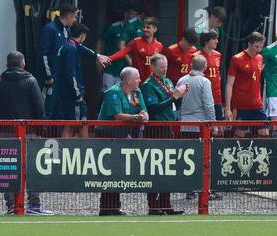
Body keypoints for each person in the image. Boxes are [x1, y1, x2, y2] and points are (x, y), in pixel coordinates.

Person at [0, 51, 52, 215]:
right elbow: (39, 107)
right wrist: (42, 128)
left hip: (3, 132)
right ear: (23, 65)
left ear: (7, 65)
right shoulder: (30, 81)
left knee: (7, 169)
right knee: (31, 168)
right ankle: (34, 205)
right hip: (28, 132)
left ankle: (11, 205)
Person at [96, 67, 147, 216]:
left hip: (123, 134)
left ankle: (115, 207)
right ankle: (106, 208)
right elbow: (118, 115)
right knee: (108, 172)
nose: (140, 80)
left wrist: (144, 115)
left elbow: (143, 109)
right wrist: (137, 118)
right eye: (137, 77)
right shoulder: (113, 92)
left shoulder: (137, 91)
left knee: (119, 171)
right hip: (107, 135)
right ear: (128, 80)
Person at [140, 54, 181, 215]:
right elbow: (154, 108)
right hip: (156, 129)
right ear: (153, 67)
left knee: (168, 168)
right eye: (161, 67)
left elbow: (174, 104)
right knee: (155, 169)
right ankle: (153, 205)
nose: (164, 69)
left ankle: (166, 203)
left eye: (165, 66)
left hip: (168, 127)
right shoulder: (148, 85)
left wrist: (179, 97)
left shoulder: (168, 81)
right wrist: (174, 97)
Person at [225, 31, 266, 132]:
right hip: (241, 105)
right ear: (249, 44)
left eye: (261, 47)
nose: (259, 49)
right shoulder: (237, 59)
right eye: (256, 46)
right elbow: (229, 84)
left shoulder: (260, 58)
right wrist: (228, 108)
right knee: (240, 136)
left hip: (257, 104)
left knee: (264, 133)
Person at [51, 23, 92, 121]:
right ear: (82, 35)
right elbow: (70, 74)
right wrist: (77, 94)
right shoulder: (71, 49)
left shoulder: (66, 45)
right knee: (77, 125)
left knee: (70, 125)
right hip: (72, 94)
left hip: (64, 90)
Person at [107, 16, 163, 80]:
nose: (145, 29)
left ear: (155, 29)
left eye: (148, 28)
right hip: (137, 80)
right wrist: (108, 59)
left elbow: (161, 64)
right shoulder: (136, 42)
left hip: (152, 81)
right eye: (144, 27)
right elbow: (123, 52)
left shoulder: (159, 46)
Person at [100, 4, 141, 89]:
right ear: (125, 14)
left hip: (125, 68)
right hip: (110, 66)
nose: (133, 18)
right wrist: (98, 57)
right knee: (108, 91)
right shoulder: (113, 27)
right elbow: (101, 40)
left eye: (135, 15)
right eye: (131, 14)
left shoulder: (137, 29)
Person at [199, 29, 224, 119]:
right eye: (214, 39)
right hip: (204, 97)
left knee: (219, 128)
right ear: (206, 40)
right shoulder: (197, 56)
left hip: (217, 96)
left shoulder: (218, 55)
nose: (217, 41)